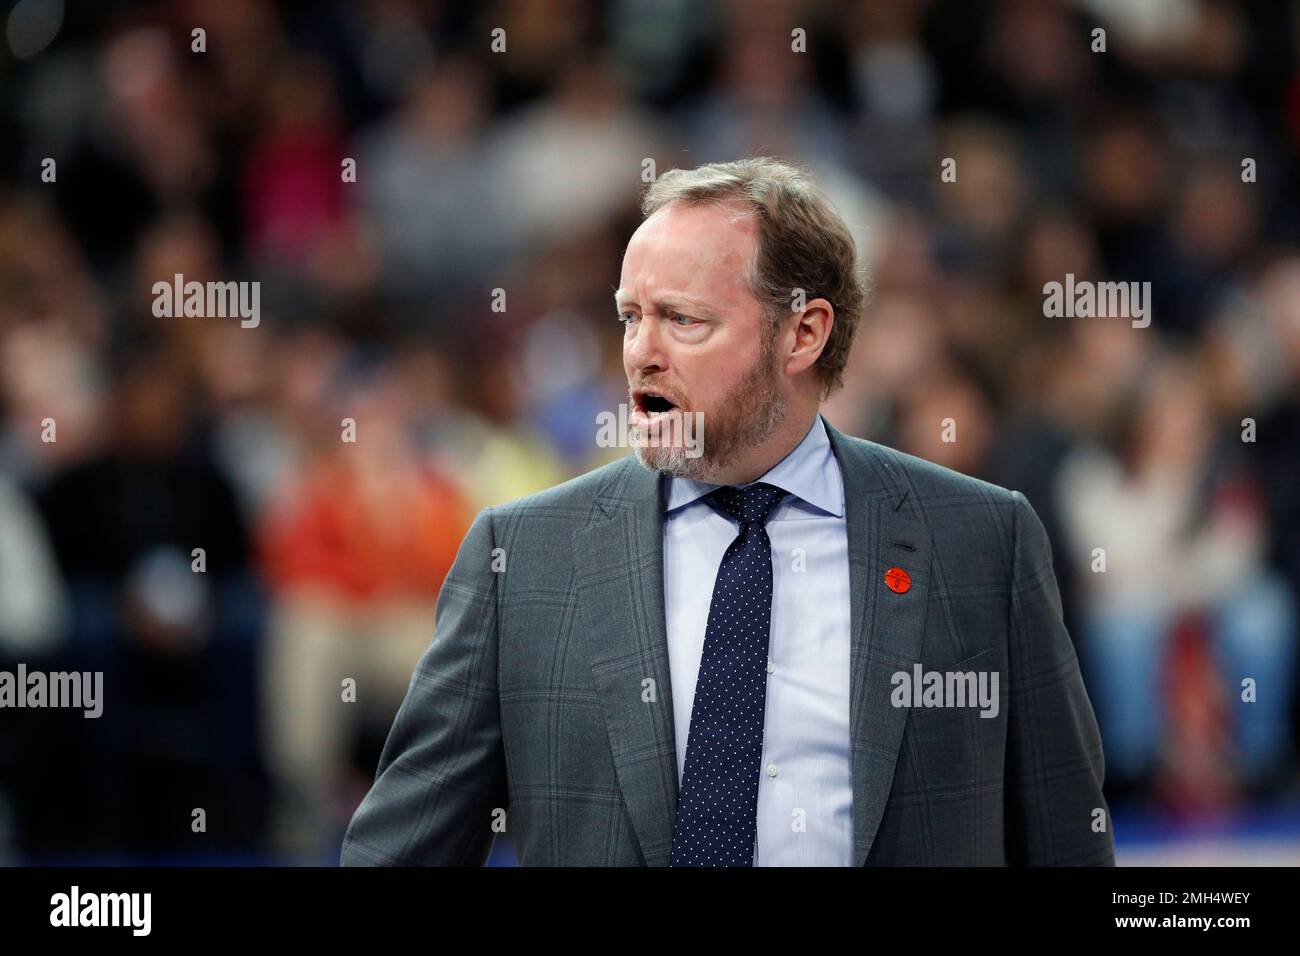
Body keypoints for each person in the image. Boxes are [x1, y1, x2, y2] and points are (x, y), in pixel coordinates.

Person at [340, 157, 1114, 866]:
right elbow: (400, 854)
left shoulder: (981, 540)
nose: (641, 352)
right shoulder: (521, 558)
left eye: (683, 320)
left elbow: (1065, 843)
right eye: (630, 316)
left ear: (803, 334)